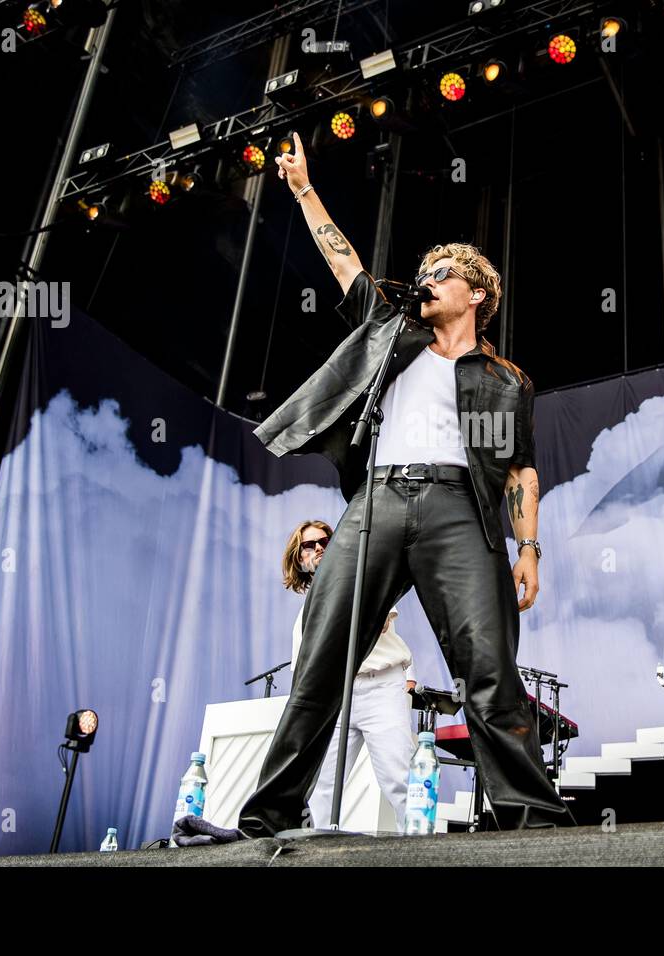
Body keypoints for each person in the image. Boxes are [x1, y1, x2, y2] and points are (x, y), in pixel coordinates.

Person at [236, 132, 572, 836]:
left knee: (487, 663)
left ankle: (531, 815)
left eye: (443, 269)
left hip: (458, 509)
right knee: (323, 655)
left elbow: (516, 470)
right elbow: (343, 260)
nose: (428, 274)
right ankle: (269, 812)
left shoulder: (501, 379)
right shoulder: (394, 333)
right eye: (425, 267)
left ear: (477, 293)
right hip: (379, 500)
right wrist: (301, 188)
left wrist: (529, 548)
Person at [283, 519, 417, 831]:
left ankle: (423, 854)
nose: (319, 548)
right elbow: (301, 677)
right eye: (309, 545)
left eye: (325, 541)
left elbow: (377, 622)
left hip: (379, 687)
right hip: (336, 699)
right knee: (320, 789)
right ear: (299, 560)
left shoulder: (363, 577)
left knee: (400, 780)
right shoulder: (304, 616)